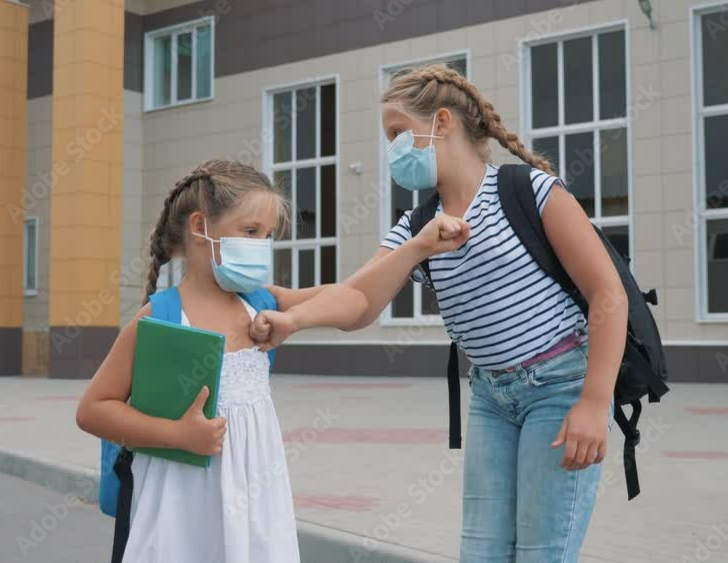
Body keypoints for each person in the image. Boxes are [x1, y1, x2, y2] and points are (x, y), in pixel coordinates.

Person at [249, 64, 628, 563]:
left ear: (442, 122)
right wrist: (280, 302)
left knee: (542, 554)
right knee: (481, 554)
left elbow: (608, 294)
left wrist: (594, 404)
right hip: (492, 398)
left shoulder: (530, 191)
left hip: (560, 388)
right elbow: (357, 298)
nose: (392, 150)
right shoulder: (418, 225)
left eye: (397, 134)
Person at [75, 159, 466, 563]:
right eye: (250, 232)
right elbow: (93, 409)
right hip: (179, 506)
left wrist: (416, 248)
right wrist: (178, 435)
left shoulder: (261, 302)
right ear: (199, 227)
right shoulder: (160, 317)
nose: (261, 245)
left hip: (256, 500)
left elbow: (353, 301)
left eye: (266, 236)